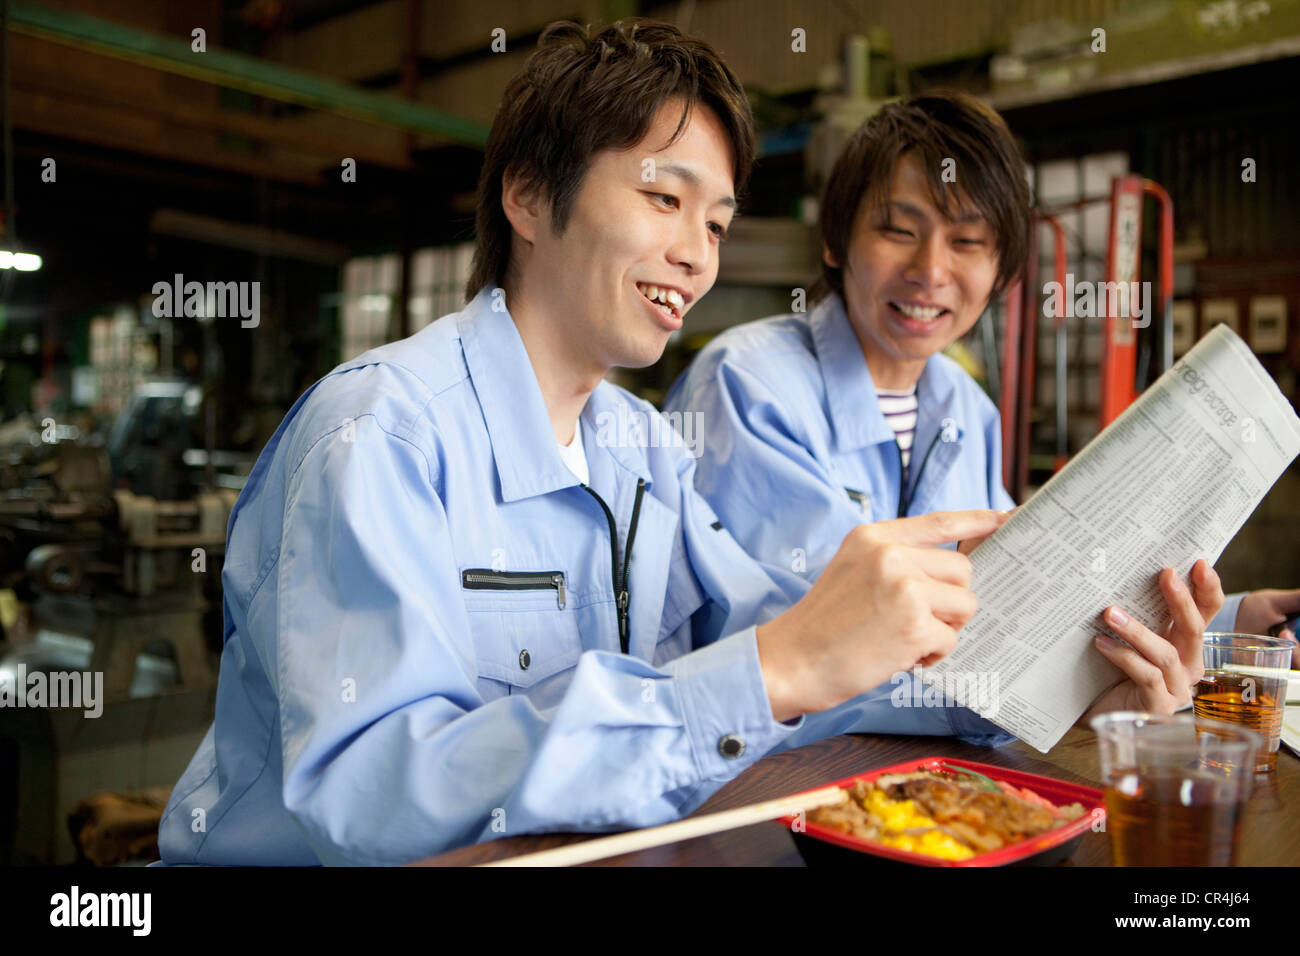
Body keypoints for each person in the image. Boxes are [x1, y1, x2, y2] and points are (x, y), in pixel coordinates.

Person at [157, 26, 1219, 866]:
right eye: (662, 198)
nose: (693, 254)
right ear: (528, 194)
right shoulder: (383, 435)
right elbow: (366, 798)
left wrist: (1060, 685)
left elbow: (804, 659)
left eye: (713, 222)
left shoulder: (638, 447)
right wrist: (772, 665)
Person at [664, 91, 1238, 728]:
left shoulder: (965, 405)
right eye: (899, 231)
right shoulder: (747, 384)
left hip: (927, 783)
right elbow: (808, 657)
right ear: (835, 241)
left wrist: (1129, 671)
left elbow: (1009, 600)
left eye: (967, 241)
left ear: (1001, 272)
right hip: (771, 788)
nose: (930, 270)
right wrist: (1049, 703)